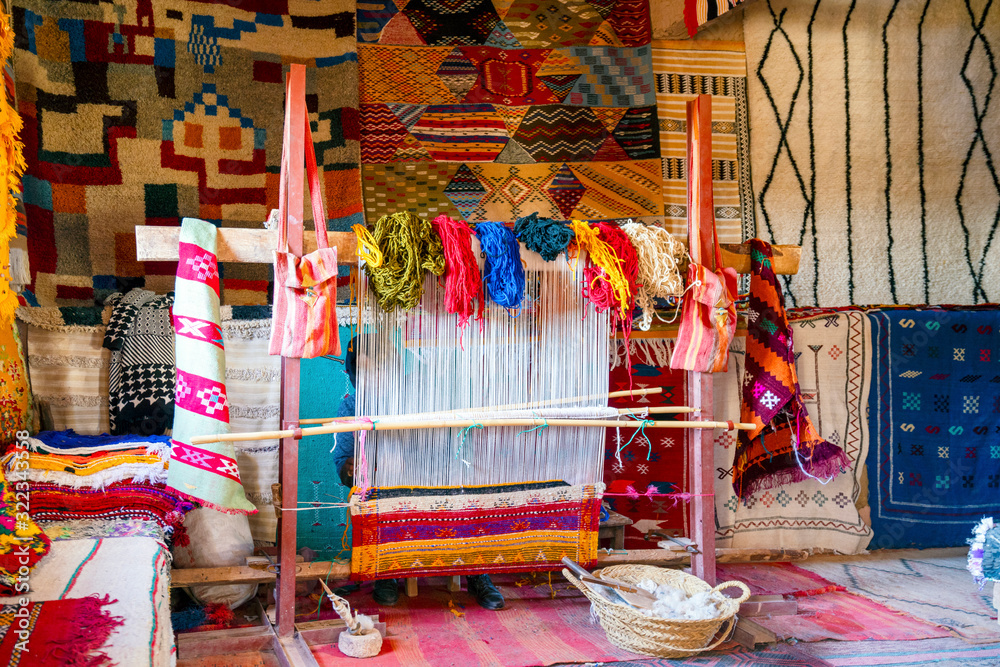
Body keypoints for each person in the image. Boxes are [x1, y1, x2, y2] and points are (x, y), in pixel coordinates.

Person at [332, 338, 505, 610]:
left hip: (435, 476)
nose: (372, 377)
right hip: (388, 485)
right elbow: (343, 458)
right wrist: (348, 468)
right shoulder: (352, 407)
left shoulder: (419, 396)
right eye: (363, 371)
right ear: (354, 374)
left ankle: (476, 572)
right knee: (374, 496)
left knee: (467, 491)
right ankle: (385, 572)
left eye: (378, 369)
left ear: (391, 368)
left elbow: (455, 439)